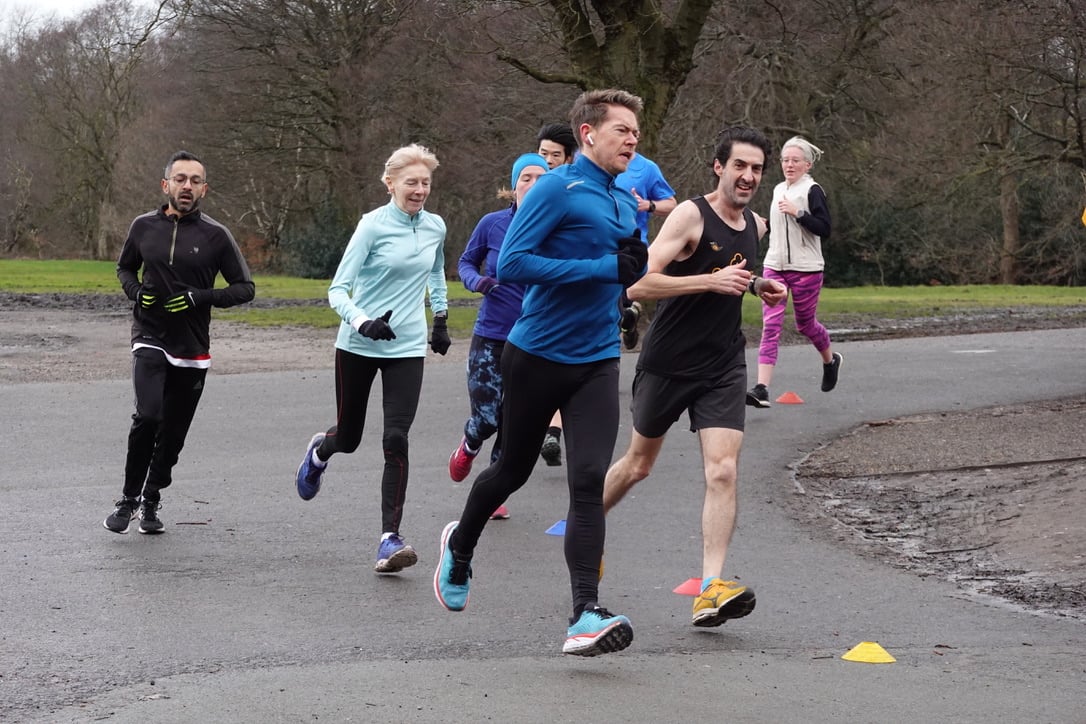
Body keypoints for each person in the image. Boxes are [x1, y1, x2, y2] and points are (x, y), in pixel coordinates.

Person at [435, 89, 648, 657]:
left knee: (587, 482)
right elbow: (514, 264)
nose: (633, 139)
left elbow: (626, 269)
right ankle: (459, 547)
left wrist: (629, 281)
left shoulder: (625, 201)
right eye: (622, 129)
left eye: (635, 131)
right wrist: (604, 266)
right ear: (588, 134)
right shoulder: (556, 187)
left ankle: (584, 613)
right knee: (510, 471)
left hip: (598, 360)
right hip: (535, 356)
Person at [602, 127, 787, 628]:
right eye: (739, 167)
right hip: (669, 362)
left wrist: (757, 285)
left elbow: (732, 270)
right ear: (718, 166)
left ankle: (709, 589)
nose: (748, 176)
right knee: (638, 466)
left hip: (723, 363)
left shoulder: (757, 225)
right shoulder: (689, 215)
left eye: (756, 169)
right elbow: (638, 283)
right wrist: (710, 280)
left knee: (723, 470)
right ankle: (585, 527)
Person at [294, 143, 450, 574]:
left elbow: (435, 270)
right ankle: (319, 452)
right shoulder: (371, 227)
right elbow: (337, 290)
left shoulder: (435, 226)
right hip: (358, 345)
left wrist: (440, 316)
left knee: (396, 438)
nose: (419, 190)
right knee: (349, 437)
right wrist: (363, 322)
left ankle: (389, 539)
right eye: (411, 183)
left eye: (425, 183)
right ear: (390, 183)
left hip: (406, 346)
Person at [104, 150, 255, 534]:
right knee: (148, 415)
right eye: (180, 179)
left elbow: (244, 289)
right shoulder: (142, 227)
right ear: (165, 184)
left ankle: (151, 499)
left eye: (195, 181)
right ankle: (127, 499)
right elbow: (124, 267)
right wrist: (136, 291)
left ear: (204, 189)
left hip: (191, 346)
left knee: (173, 432)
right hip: (149, 335)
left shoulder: (217, 236)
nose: (187, 186)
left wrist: (199, 297)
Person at [449, 153, 550, 521]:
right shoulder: (492, 225)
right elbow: (464, 263)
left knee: (513, 422)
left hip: (535, 339)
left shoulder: (556, 229)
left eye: (543, 178)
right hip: (491, 335)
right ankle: (470, 441)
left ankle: (491, 491)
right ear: (513, 186)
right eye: (526, 178)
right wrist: (478, 282)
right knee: (489, 417)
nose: (534, 184)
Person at [747, 136, 841, 408]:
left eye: (795, 160)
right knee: (771, 326)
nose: (789, 165)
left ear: (807, 164)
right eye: (785, 160)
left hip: (806, 269)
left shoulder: (812, 190)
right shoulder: (777, 190)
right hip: (774, 266)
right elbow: (780, 229)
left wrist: (799, 213)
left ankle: (830, 360)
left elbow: (824, 228)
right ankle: (762, 388)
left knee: (805, 325)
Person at [534, 122, 579, 467]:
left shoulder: (581, 193)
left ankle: (553, 432)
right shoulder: (535, 191)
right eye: (543, 154)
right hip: (532, 303)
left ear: (570, 156)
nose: (548, 161)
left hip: (577, 297)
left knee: (566, 369)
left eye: (555, 155)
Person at [614, 152, 678, 349]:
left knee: (613, 296)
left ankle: (625, 317)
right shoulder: (588, 158)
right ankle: (627, 315)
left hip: (632, 246)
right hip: (597, 241)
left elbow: (671, 204)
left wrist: (647, 205)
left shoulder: (647, 167)